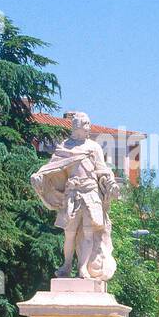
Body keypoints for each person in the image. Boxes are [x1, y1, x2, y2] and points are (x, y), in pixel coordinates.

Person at [29, 112, 120, 280]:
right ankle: (67, 265)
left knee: (88, 233)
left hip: (91, 192)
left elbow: (102, 170)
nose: (88, 128)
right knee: (69, 233)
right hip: (72, 194)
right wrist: (40, 178)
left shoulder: (94, 147)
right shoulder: (64, 147)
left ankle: (83, 268)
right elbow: (52, 168)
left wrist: (110, 182)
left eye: (88, 124)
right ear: (76, 126)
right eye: (85, 124)